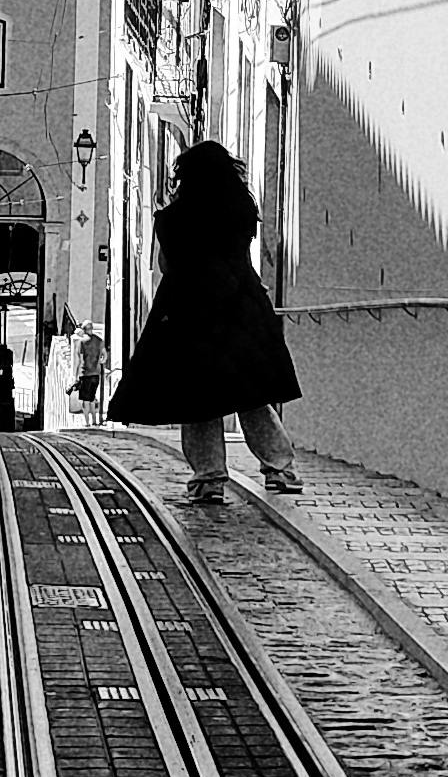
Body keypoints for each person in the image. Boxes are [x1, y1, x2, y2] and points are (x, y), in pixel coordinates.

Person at [107, 139, 302, 506]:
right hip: (242, 305)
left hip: (190, 310)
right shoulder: (242, 209)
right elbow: (243, 255)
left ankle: (208, 477)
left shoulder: (173, 219)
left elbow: (167, 265)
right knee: (253, 394)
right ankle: (280, 469)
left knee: (197, 399)